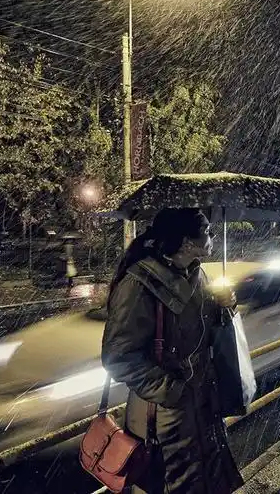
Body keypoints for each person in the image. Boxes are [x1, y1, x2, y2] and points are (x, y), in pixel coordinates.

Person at [101, 208, 243, 494]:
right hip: (164, 417)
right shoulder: (139, 284)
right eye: (207, 231)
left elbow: (201, 332)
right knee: (172, 484)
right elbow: (118, 358)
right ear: (187, 242)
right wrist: (175, 392)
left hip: (201, 406)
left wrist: (224, 307)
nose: (213, 236)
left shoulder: (196, 273)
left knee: (207, 479)